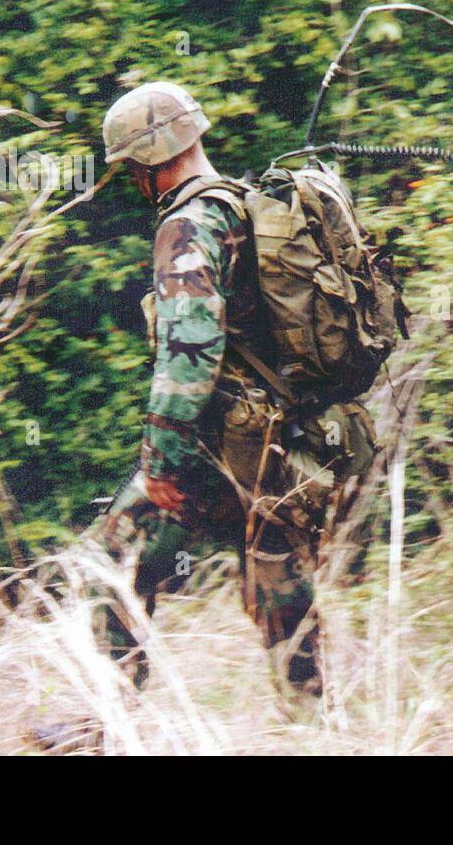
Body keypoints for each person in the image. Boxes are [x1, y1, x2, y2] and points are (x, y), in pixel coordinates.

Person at [91, 81, 375, 698]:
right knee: (281, 595)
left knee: (113, 559)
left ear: (146, 161)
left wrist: (162, 459)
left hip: (224, 444)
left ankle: (106, 726)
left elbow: (190, 350)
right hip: (291, 443)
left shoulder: (189, 226)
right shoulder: (251, 205)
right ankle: (310, 729)